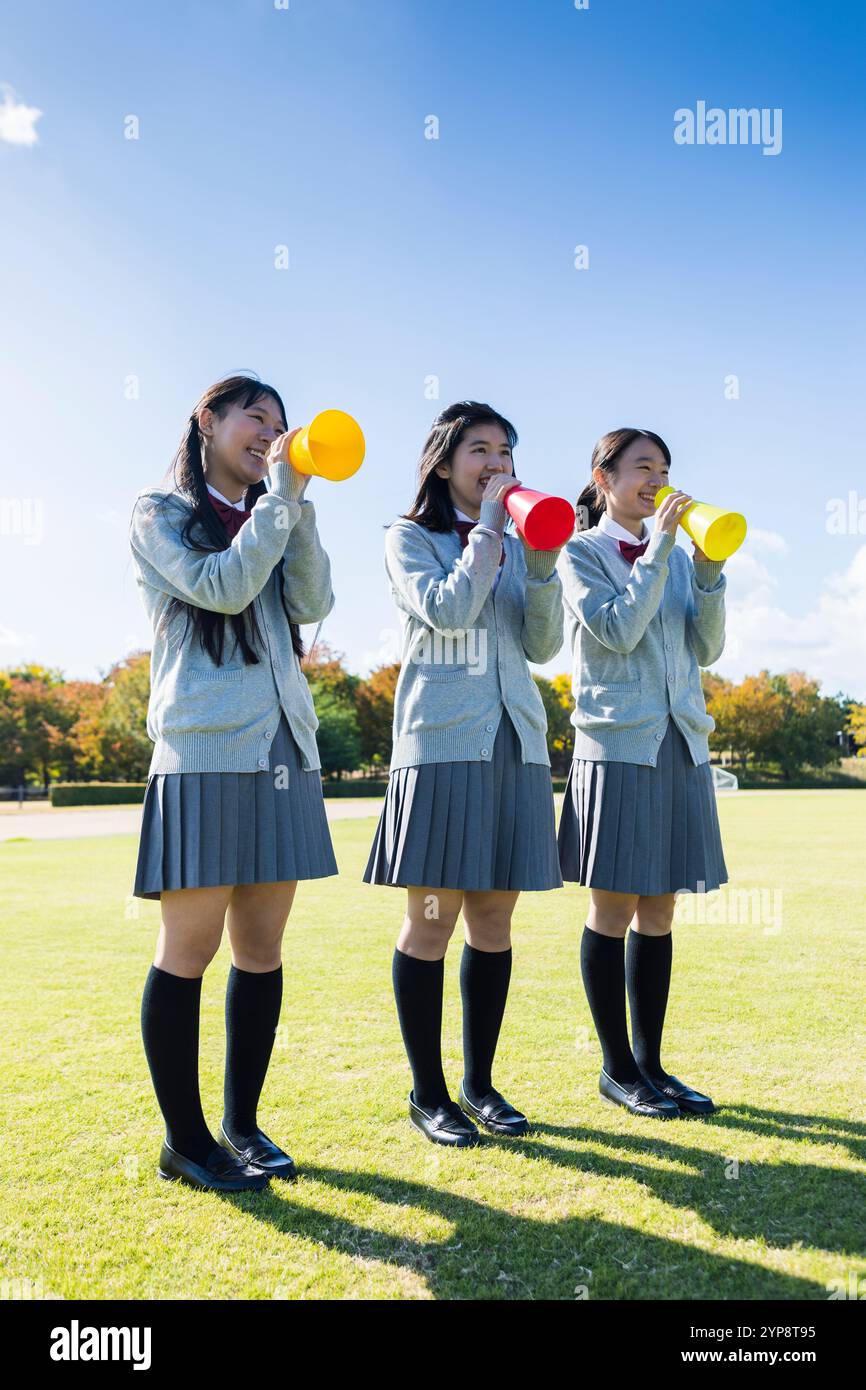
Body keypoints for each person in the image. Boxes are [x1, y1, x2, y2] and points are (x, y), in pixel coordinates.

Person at [129, 373, 338, 1191]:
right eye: (256, 416)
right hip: (207, 748)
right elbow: (222, 585)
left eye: (281, 424)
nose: (270, 432)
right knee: (191, 948)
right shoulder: (160, 513)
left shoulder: (276, 508)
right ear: (207, 421)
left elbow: (314, 598)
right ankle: (186, 1141)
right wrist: (278, 503)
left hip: (285, 747)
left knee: (261, 947)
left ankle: (243, 1125)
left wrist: (298, 503)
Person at [363, 401, 565, 1146]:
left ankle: (480, 1085)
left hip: (515, 744)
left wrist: (539, 563)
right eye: (480, 449)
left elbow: (542, 645)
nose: (497, 463)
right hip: (443, 743)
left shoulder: (513, 543)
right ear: (444, 463)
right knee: (430, 923)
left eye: (506, 450)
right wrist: (488, 532)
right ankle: (429, 1093)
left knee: (494, 923)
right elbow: (448, 611)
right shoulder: (409, 537)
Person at [556, 428, 727, 1120]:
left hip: (680, 742)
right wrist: (660, 549)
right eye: (642, 468)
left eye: (664, 469)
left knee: (660, 908)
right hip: (617, 745)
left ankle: (652, 1064)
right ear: (603, 477)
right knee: (615, 908)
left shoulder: (680, 561)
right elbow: (618, 631)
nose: (657, 480)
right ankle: (617, 1069)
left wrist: (708, 572)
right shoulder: (577, 552)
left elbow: (707, 648)